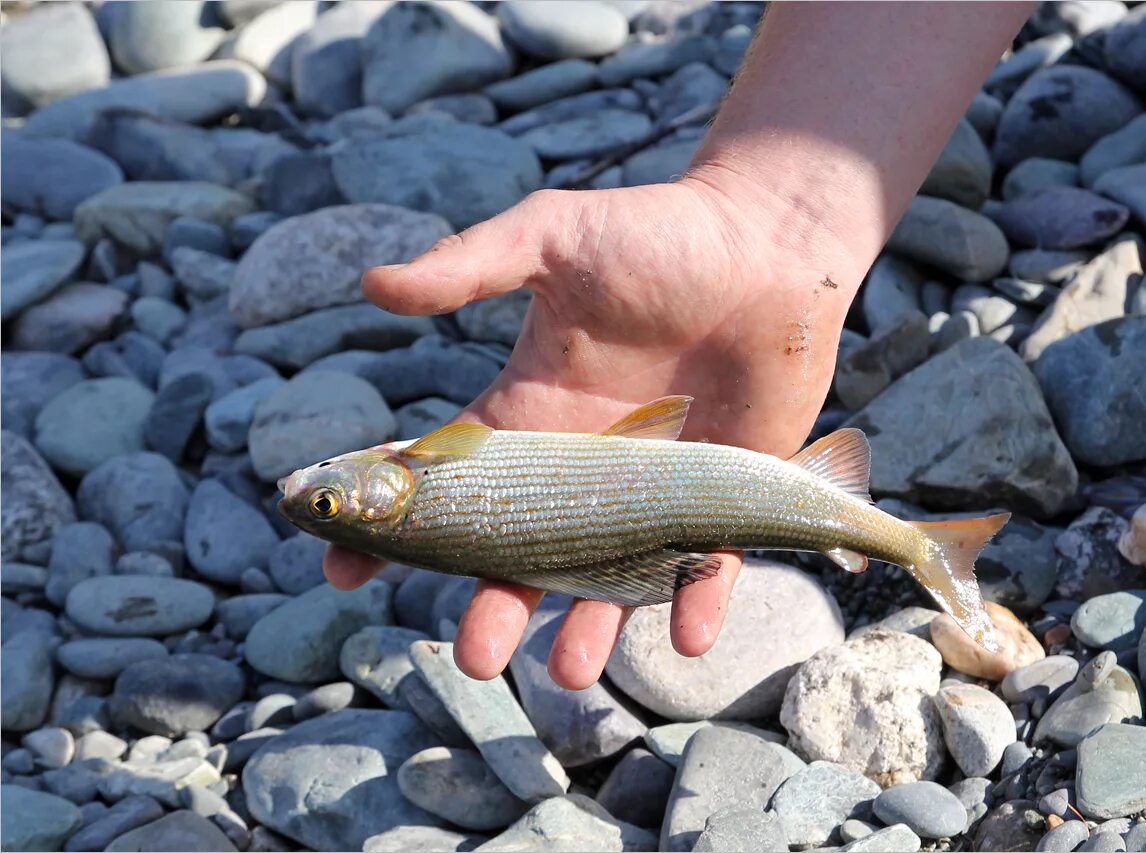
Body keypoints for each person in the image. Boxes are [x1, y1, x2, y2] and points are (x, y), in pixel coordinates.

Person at [323, 2, 1037, 690]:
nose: (311, 487)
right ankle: (922, 545)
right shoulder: (425, 469)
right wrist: (766, 219)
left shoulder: (426, 469)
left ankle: (918, 544)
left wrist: (767, 221)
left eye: (327, 502)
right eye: (324, 501)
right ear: (382, 501)